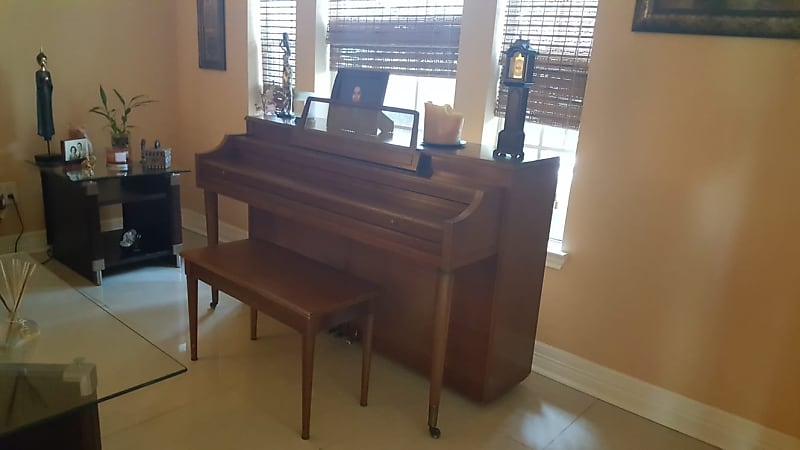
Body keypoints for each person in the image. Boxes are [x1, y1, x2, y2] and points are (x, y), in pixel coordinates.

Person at [35, 50, 55, 143]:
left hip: (48, 95)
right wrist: (44, 81)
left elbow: (51, 85)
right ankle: (44, 132)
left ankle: (49, 132)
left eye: (45, 60)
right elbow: (38, 85)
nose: (44, 62)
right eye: (42, 60)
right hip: (42, 95)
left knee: (49, 113)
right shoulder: (38, 73)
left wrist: (47, 82)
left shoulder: (48, 73)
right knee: (44, 113)